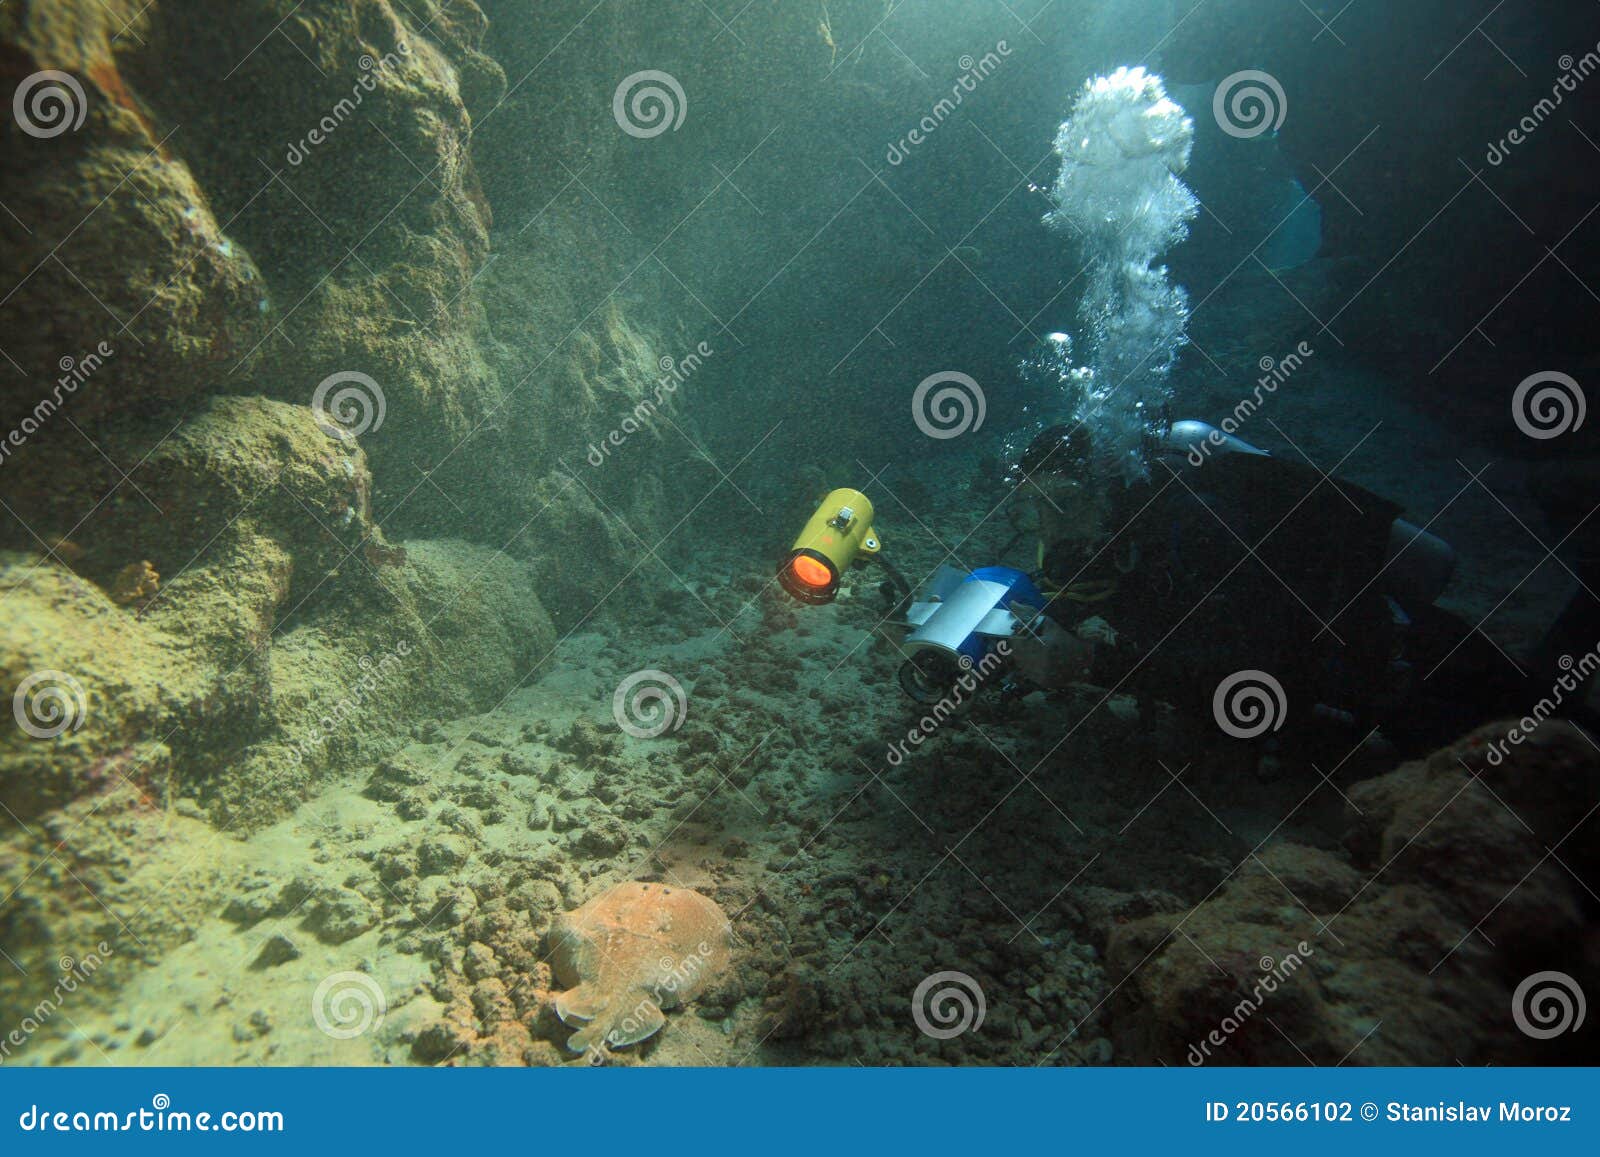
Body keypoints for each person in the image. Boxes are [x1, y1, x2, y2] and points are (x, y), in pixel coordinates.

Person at [1003, 418, 1544, 755]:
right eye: (1035, 506)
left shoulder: (1198, 530)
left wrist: (1093, 665)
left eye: (1066, 503)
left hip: (1417, 676)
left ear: (1111, 491)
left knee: (1551, 764)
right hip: (1366, 684)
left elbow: (1255, 685)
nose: (1051, 526)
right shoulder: (1106, 543)